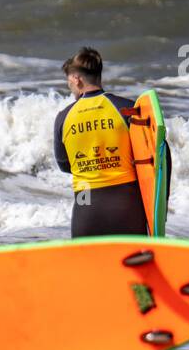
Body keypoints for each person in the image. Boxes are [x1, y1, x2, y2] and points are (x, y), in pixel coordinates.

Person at [52, 47, 170, 237]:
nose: (71, 88)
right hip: (126, 204)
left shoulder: (63, 118)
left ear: (76, 79)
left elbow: (65, 166)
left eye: (69, 83)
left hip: (86, 205)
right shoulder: (127, 109)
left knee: (89, 265)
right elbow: (154, 155)